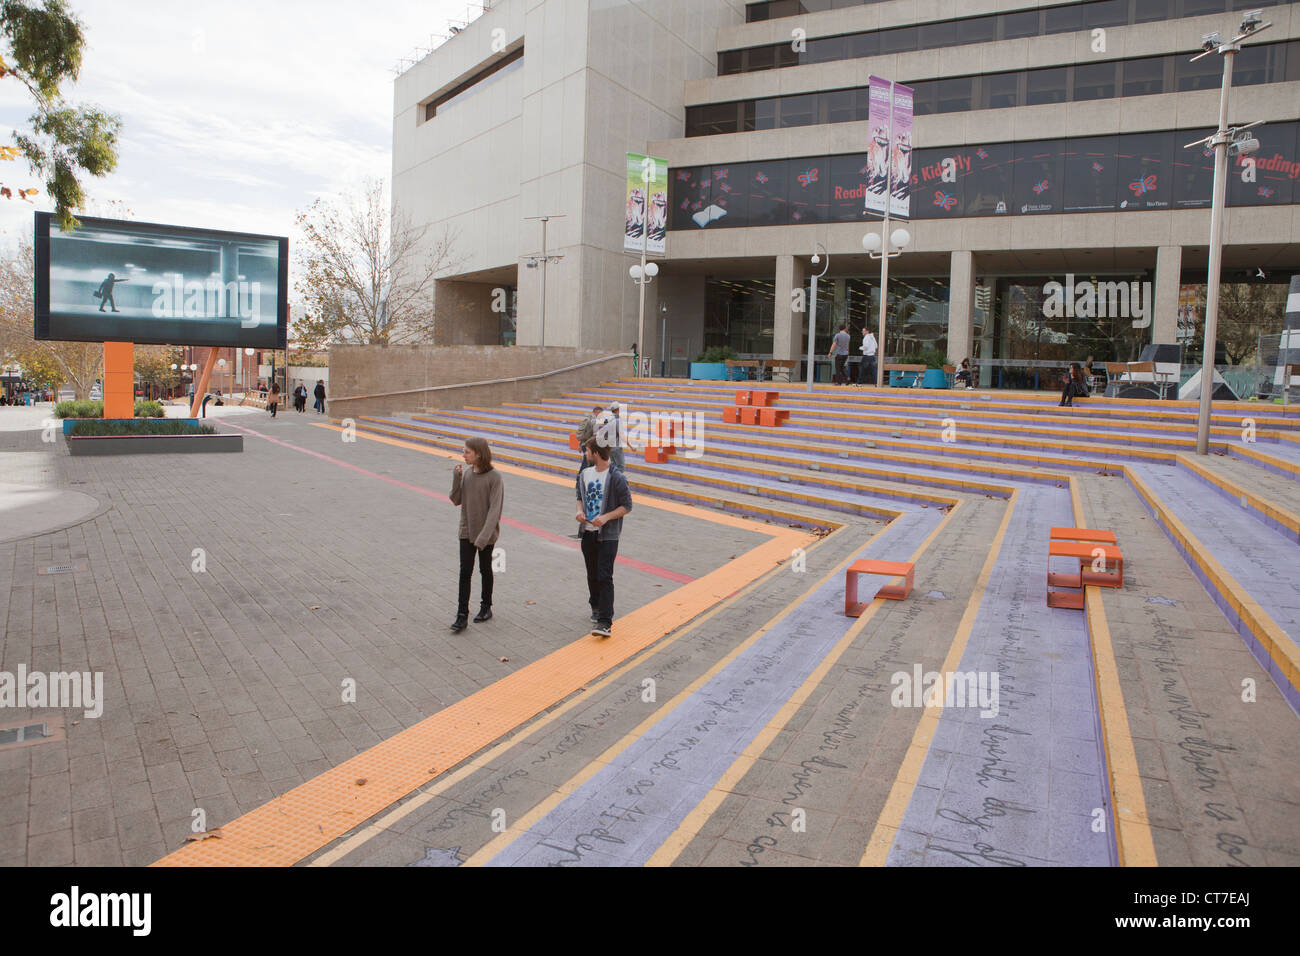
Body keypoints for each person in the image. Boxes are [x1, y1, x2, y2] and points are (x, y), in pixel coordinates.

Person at [576, 437, 633, 638]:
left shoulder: (616, 477)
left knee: (604, 575)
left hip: (608, 536)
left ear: (596, 453)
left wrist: (606, 517)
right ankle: (595, 606)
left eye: (587, 451)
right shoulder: (585, 473)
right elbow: (579, 497)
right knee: (592, 574)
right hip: (588, 533)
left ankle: (605, 621)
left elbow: (627, 506)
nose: (585, 454)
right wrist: (579, 512)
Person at [449, 436, 504, 632]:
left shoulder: (495, 478)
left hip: (485, 534)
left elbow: (495, 511)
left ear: (478, 454)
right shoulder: (467, 475)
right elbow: (456, 500)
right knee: (465, 572)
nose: (463, 455)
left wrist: (483, 538)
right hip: (466, 531)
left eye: (467, 452)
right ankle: (462, 614)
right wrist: (457, 477)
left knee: (485, 569)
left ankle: (486, 607)